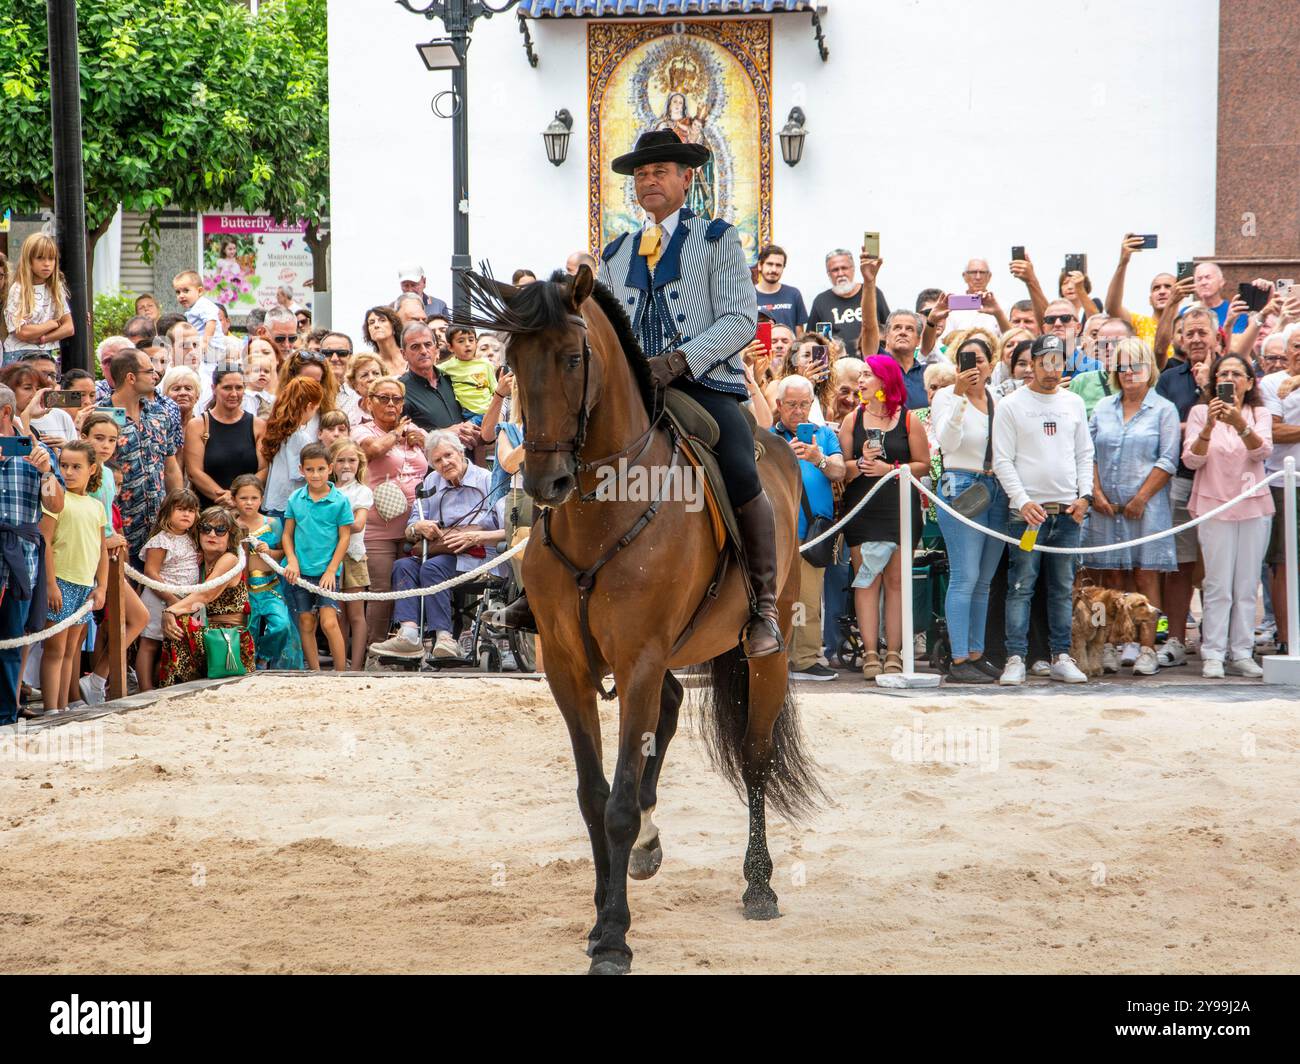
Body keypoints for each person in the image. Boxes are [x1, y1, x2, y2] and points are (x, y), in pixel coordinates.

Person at [560, 127, 785, 656]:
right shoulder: (614, 253)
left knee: (738, 459)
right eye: (641, 174)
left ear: (687, 177)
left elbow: (740, 320)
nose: (648, 181)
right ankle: (543, 585)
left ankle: (764, 603)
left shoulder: (718, 239)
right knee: (569, 449)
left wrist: (681, 360)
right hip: (635, 391)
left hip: (703, 386)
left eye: (660, 171)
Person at [992, 333, 1093, 685]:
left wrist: (1085, 496)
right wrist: (1022, 501)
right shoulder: (1011, 405)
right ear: (1031, 365)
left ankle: (1061, 654)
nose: (1051, 369)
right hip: (1026, 515)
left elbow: (1084, 453)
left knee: (1062, 585)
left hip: (1068, 512)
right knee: (1021, 584)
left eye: (1057, 361)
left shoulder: (1074, 403)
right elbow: (1002, 460)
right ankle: (1015, 656)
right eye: (1044, 362)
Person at [1085, 338, 1181, 676]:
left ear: (1149, 369)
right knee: (1109, 576)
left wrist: (1141, 497)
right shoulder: (1103, 407)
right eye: (1122, 366)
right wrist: (1095, 492)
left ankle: (1147, 648)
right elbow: (1090, 452)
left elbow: (1169, 459)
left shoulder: (1164, 409)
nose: (1128, 372)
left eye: (1136, 365)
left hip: (1147, 507)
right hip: (1105, 507)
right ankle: (1108, 645)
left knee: (1145, 575)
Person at [368, 431, 506, 661]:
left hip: (479, 555)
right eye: (437, 461)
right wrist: (418, 527)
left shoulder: (486, 479)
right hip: (442, 551)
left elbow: (507, 530)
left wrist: (476, 537)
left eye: (448, 455)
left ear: (461, 453)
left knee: (432, 568)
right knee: (403, 566)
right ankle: (410, 634)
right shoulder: (432, 482)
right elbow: (411, 528)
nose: (444, 463)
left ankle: (444, 638)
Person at [838, 355, 930, 678]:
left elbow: (924, 464)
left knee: (895, 581)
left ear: (884, 381)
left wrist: (889, 470)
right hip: (862, 509)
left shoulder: (908, 420)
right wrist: (862, 463)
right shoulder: (853, 420)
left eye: (867, 375)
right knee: (867, 581)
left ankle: (894, 653)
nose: (860, 381)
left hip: (900, 509)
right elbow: (842, 470)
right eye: (861, 375)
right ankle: (870, 653)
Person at [1183, 353, 1273, 678]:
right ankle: (1214, 653)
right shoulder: (1198, 412)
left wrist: (1239, 423)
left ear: (1249, 382)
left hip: (1253, 503)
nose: (1231, 378)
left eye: (1238, 373)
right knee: (1218, 582)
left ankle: (1242, 651)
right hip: (1214, 503)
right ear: (1214, 381)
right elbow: (1192, 460)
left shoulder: (1258, 413)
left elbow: (1263, 451)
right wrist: (1209, 425)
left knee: (1247, 584)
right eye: (1224, 373)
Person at [930, 335, 1009, 684]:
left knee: (985, 580)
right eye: (967, 359)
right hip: (960, 483)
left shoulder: (999, 399)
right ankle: (959, 658)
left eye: (980, 360)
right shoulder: (946, 397)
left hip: (997, 485)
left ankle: (975, 654)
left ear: (991, 365)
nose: (974, 367)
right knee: (965, 575)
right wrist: (961, 397)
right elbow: (947, 444)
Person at [1155, 303, 1220, 667]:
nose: (1195, 339)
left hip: (1226, 485)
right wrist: (1190, 427)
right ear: (1180, 338)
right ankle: (1177, 640)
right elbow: (1163, 427)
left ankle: (1215, 640)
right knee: (1180, 564)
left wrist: (1207, 386)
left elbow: (1233, 421)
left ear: (1215, 335)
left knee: (1217, 566)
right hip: (1182, 481)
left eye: (1202, 332)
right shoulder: (1169, 378)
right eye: (1189, 333)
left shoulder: (1230, 371)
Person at [769, 375, 845, 681]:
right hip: (777, 531)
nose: (798, 411)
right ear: (779, 405)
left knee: (810, 600)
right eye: (791, 404)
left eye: (803, 404)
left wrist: (819, 459)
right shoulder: (769, 438)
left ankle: (806, 658)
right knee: (776, 598)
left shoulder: (824, 436)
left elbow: (839, 470)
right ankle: (776, 658)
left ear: (811, 404)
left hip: (814, 532)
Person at [75, 412, 149, 704]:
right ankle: (78, 690)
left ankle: (96, 679)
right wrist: (106, 540)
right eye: (99, 438)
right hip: (91, 551)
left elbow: (105, 516)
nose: (106, 445)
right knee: (78, 630)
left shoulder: (106, 473)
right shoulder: (85, 471)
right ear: (84, 438)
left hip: (110, 554)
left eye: (112, 440)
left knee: (135, 618)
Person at [354, 376, 429, 646]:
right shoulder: (363, 431)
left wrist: (424, 440)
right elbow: (372, 451)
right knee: (382, 591)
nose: (391, 404)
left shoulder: (414, 430)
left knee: (410, 589)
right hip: (378, 529)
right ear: (369, 402)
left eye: (396, 399)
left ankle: (407, 646)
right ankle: (374, 650)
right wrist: (397, 434)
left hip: (414, 526)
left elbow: (439, 456)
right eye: (383, 398)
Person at [35, 442, 107, 714]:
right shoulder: (57, 498)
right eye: (63, 465)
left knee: (70, 651)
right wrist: (51, 584)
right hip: (61, 582)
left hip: (84, 586)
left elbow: (101, 549)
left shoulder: (97, 505)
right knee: (54, 649)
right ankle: (51, 708)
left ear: (91, 468)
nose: (68, 472)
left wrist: (101, 587)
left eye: (76, 467)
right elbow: (46, 540)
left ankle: (63, 705)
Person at [98, 348, 181, 562]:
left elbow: (170, 466)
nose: (156, 376)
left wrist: (179, 506)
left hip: (158, 524)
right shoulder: (100, 415)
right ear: (131, 377)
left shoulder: (160, 413)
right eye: (149, 371)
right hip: (117, 523)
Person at [159, 508, 254, 685]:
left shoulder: (229, 559)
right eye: (206, 528)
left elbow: (205, 594)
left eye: (220, 530)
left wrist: (170, 611)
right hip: (206, 627)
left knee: (179, 621)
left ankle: (177, 683)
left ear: (229, 536)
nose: (212, 534)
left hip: (228, 636)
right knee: (176, 623)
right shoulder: (198, 561)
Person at [283, 442, 352, 673]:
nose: (316, 474)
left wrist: (332, 569)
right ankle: (314, 672)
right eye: (310, 469)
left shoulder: (340, 500)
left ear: (330, 468)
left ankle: (341, 673)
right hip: (301, 572)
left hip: (327, 572)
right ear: (301, 470)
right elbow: (287, 535)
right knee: (305, 621)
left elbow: (344, 538)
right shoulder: (295, 499)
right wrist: (292, 560)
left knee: (329, 622)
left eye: (321, 469)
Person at [231, 474, 302, 671]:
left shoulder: (272, 523)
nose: (249, 503)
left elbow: (284, 552)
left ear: (261, 499)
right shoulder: (231, 524)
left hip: (270, 586)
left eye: (254, 498)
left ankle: (264, 657)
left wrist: (270, 552)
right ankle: (249, 665)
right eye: (243, 498)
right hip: (243, 589)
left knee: (281, 625)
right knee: (249, 629)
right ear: (234, 499)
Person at [137, 488, 202, 691]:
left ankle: (167, 683)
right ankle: (145, 688)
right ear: (167, 512)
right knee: (150, 643)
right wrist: (171, 598)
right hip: (159, 597)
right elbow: (151, 572)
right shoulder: (161, 540)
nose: (186, 514)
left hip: (184, 599)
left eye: (191, 511)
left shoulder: (192, 538)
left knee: (173, 642)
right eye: (181, 509)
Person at [1260, 325, 1300, 653]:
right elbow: (1273, 432)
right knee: (1283, 564)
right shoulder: (1271, 384)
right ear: (1287, 351)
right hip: (1282, 483)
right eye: (1297, 346)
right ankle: (1286, 639)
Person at [185, 365, 266, 509]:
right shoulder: (198, 425)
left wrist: (240, 498)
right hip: (210, 513)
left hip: (247, 511)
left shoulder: (257, 425)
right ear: (214, 388)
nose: (234, 394)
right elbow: (194, 472)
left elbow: (264, 469)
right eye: (227, 388)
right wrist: (226, 499)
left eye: (239, 388)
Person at [856, 256, 926, 408]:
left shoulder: (926, 373)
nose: (902, 332)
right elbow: (868, 326)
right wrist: (869, 282)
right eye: (897, 328)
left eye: (909, 329)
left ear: (918, 340)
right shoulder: (876, 362)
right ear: (886, 336)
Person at [396, 322, 478, 450]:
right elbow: (399, 437)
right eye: (415, 347)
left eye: (428, 344)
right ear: (403, 354)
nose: (423, 351)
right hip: (430, 466)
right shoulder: (399, 390)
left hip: (469, 463)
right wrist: (444, 433)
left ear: (436, 349)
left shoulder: (453, 377)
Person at [329, 439, 372, 671]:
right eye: (341, 460)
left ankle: (356, 666)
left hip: (353, 556)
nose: (346, 465)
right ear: (331, 464)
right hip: (330, 558)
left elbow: (358, 524)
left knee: (356, 614)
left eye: (352, 460)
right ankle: (340, 666)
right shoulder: (327, 490)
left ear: (359, 463)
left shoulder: (362, 491)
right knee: (337, 615)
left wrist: (331, 522)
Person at [1104, 234, 1177, 363]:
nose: (1162, 291)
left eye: (1168, 287)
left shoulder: (1185, 325)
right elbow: (1111, 308)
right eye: (1156, 288)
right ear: (1150, 299)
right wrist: (1123, 263)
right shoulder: (1139, 322)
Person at [3, 233, 74, 360]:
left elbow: (69, 327)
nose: (47, 264)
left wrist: (44, 338)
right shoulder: (19, 289)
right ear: (29, 260)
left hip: (46, 352)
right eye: (40, 258)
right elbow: (22, 332)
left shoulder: (56, 288)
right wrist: (52, 324)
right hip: (19, 353)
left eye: (51, 258)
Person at [808, 247, 889, 356]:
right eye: (835, 270)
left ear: (853, 269)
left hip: (872, 365)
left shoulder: (872, 293)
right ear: (828, 274)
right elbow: (811, 340)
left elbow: (889, 329)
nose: (840, 273)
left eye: (844, 268)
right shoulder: (820, 301)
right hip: (838, 368)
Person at [261, 376, 323, 517]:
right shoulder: (301, 438)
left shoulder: (279, 431)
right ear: (309, 407)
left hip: (274, 500)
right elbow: (300, 474)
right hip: (290, 505)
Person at [1068, 317, 1135, 418]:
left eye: (1117, 343)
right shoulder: (1080, 383)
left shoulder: (1145, 382)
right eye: (1103, 343)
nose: (1109, 348)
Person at [436, 324, 497, 425]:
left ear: (476, 343)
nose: (467, 344)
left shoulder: (486, 364)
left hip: (488, 412)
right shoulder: (448, 366)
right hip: (466, 414)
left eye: (471, 340)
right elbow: (430, 370)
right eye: (461, 341)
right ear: (450, 347)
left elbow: (495, 389)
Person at [172, 269, 225, 361]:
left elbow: (211, 322)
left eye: (186, 291)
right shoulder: (194, 307)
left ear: (200, 291)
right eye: (178, 292)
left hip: (212, 346)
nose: (181, 295)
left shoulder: (203, 304)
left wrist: (205, 342)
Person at [754, 244, 808, 333]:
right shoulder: (748, 297)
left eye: (778, 265)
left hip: (790, 347)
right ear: (760, 265)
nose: (774, 269)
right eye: (770, 264)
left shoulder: (794, 294)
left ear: (783, 268)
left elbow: (800, 337)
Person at [1191, 261, 1249, 335]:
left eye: (1208, 277)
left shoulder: (1235, 311)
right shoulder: (1187, 312)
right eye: (1199, 279)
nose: (1203, 282)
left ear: (1221, 282)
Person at [362, 305, 405, 378]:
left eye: (382, 320)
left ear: (393, 326)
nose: (376, 325)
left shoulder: (410, 355)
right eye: (371, 322)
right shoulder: (371, 364)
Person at [343, 353, 384, 428]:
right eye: (364, 375)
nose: (371, 378)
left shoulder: (398, 406)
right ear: (354, 384)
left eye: (376, 373)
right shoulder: (349, 419)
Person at [263, 306, 300, 376]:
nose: (286, 344)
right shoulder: (250, 365)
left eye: (292, 338)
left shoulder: (302, 365)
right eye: (280, 338)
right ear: (265, 334)